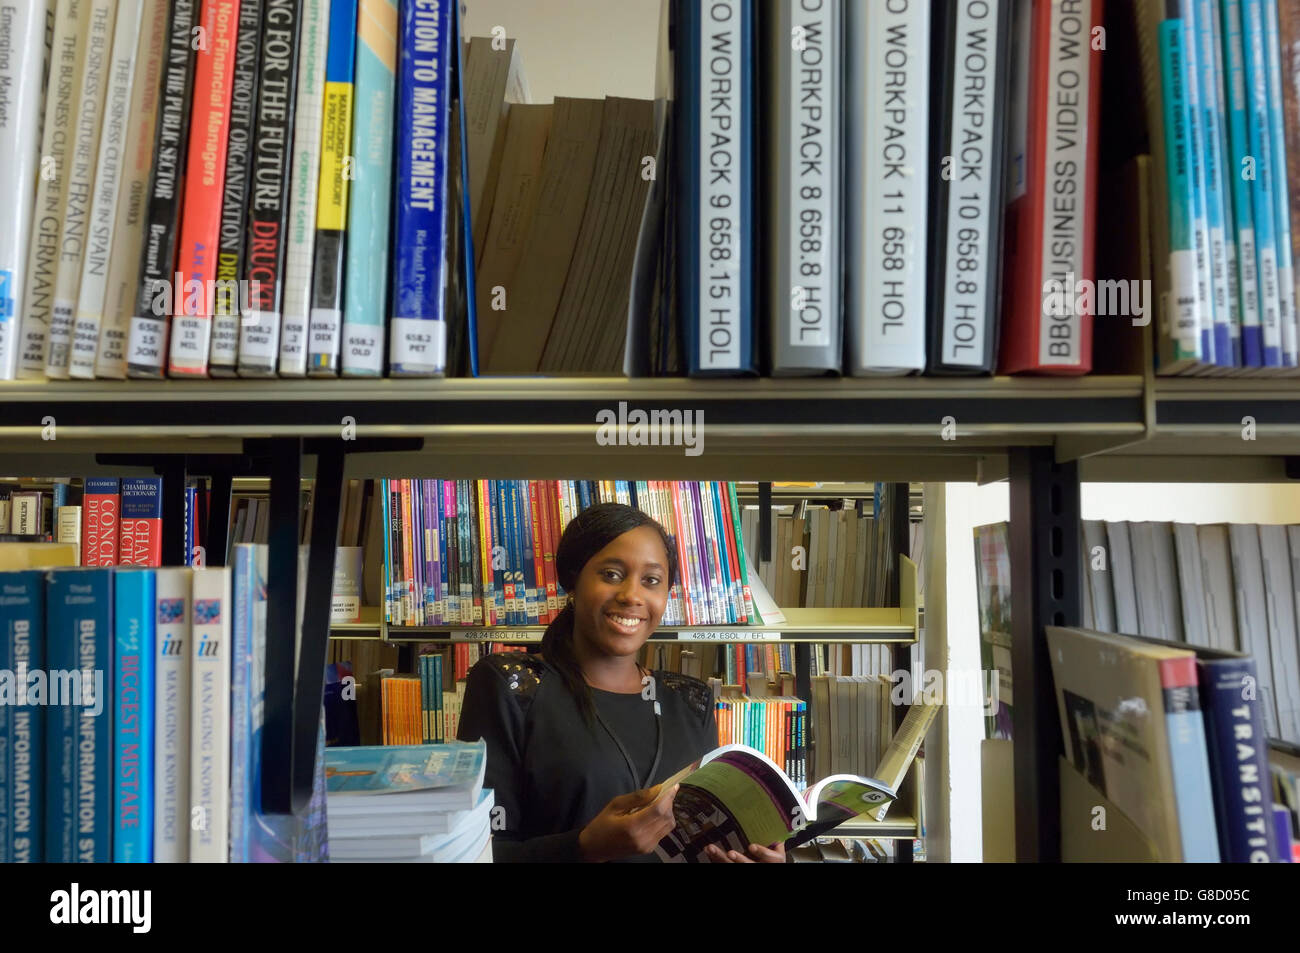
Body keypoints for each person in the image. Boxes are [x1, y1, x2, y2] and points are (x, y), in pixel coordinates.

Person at [457, 501, 786, 863]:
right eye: (612, 574)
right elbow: (473, 854)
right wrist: (583, 847)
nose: (632, 595)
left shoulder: (692, 702)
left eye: (651, 580)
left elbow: (699, 847)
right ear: (573, 581)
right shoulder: (510, 685)